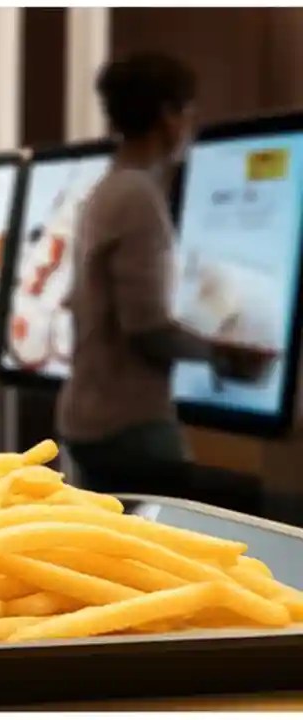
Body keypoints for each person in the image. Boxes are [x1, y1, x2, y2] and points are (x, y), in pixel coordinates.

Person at [57, 53, 271, 507]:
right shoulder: (138, 196)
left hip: (89, 414)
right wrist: (225, 357)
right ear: (168, 116)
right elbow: (147, 327)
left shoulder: (107, 189)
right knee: (245, 509)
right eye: (187, 110)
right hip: (125, 422)